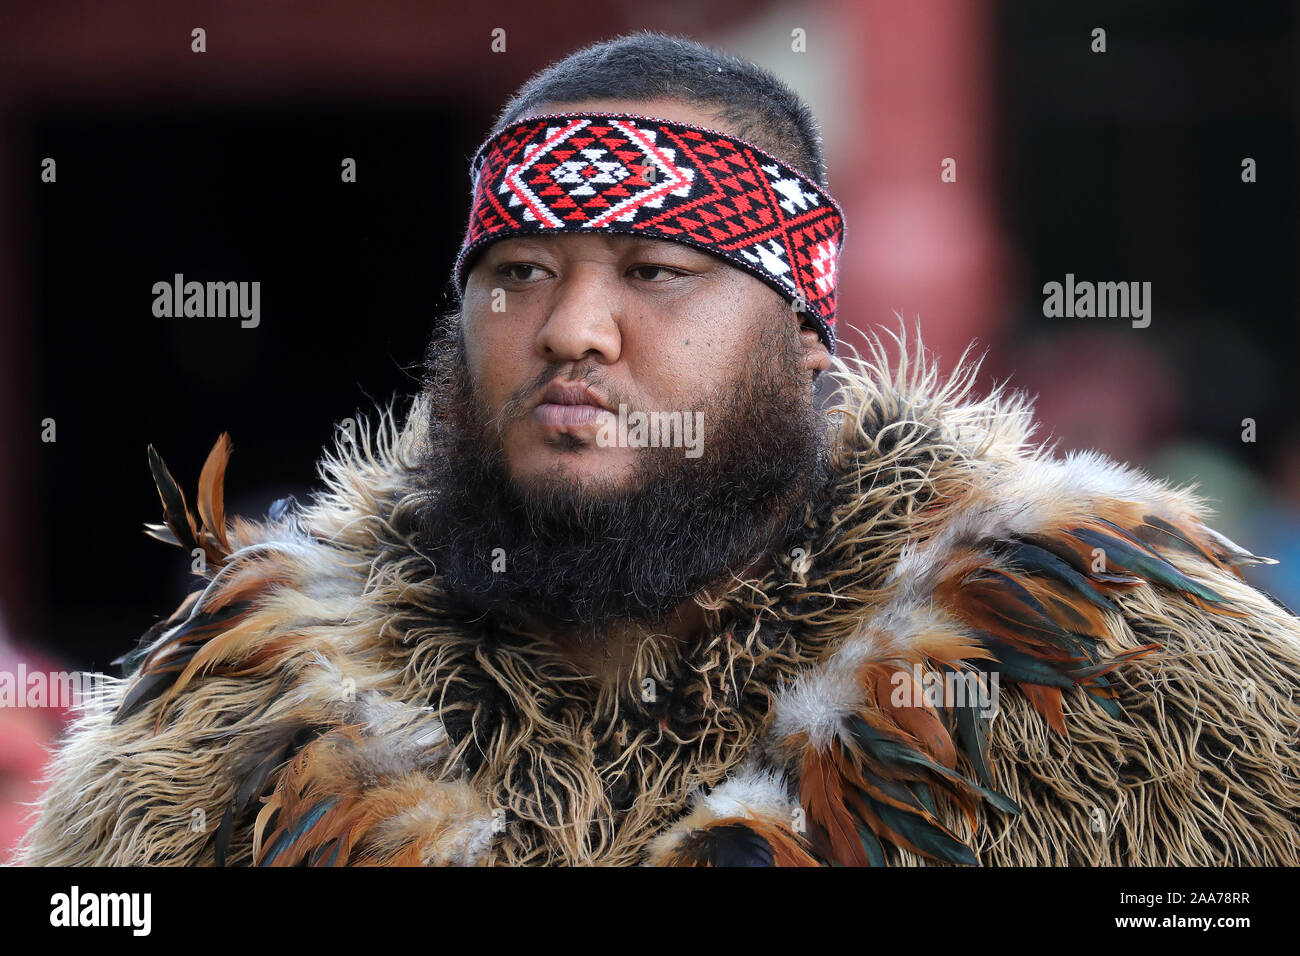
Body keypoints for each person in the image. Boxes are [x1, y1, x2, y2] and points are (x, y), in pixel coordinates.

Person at [16, 32, 1300, 867]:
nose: (572, 329)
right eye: (516, 273)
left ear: (804, 339)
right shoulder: (240, 713)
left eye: (656, 270)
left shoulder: (1104, 657)